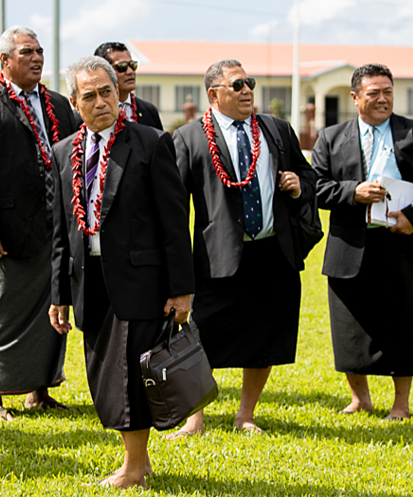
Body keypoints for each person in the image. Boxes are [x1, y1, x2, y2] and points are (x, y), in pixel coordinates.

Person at [48, 55, 194, 490]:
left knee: (129, 374)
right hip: (88, 282)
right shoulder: (62, 153)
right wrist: (58, 292)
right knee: (103, 373)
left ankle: (135, 465)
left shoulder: (150, 143)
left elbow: (174, 222)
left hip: (141, 282)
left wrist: (181, 290)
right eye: (88, 95)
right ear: (75, 103)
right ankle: (137, 461)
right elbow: (61, 231)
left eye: (106, 92)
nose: (100, 102)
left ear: (119, 93)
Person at [170, 59, 317, 438]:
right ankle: (195, 420)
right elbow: (172, 206)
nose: (247, 90)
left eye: (249, 82)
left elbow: (309, 176)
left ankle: (245, 415)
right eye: (237, 85)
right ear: (213, 94)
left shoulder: (276, 130)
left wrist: (296, 184)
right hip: (216, 257)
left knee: (263, 337)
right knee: (201, 338)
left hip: (271, 253)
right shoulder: (189, 138)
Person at [310, 63, 413, 420]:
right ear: (354, 98)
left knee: (404, 323)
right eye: (373, 93)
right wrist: (354, 192)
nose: (382, 99)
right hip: (350, 243)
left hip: (399, 241)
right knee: (349, 324)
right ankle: (360, 399)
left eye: (388, 92)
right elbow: (314, 187)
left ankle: (401, 404)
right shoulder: (331, 138)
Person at [0, 26, 78, 421]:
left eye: (40, 51)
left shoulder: (60, 105)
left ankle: (39, 389)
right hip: (10, 230)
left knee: (53, 308)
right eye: (27, 51)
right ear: (5, 60)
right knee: (2, 309)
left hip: (57, 227)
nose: (37, 58)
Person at [92, 42, 163, 130]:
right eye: (122, 67)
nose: (130, 72)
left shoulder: (149, 111)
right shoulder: (86, 114)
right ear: (102, 72)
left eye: (132, 65)